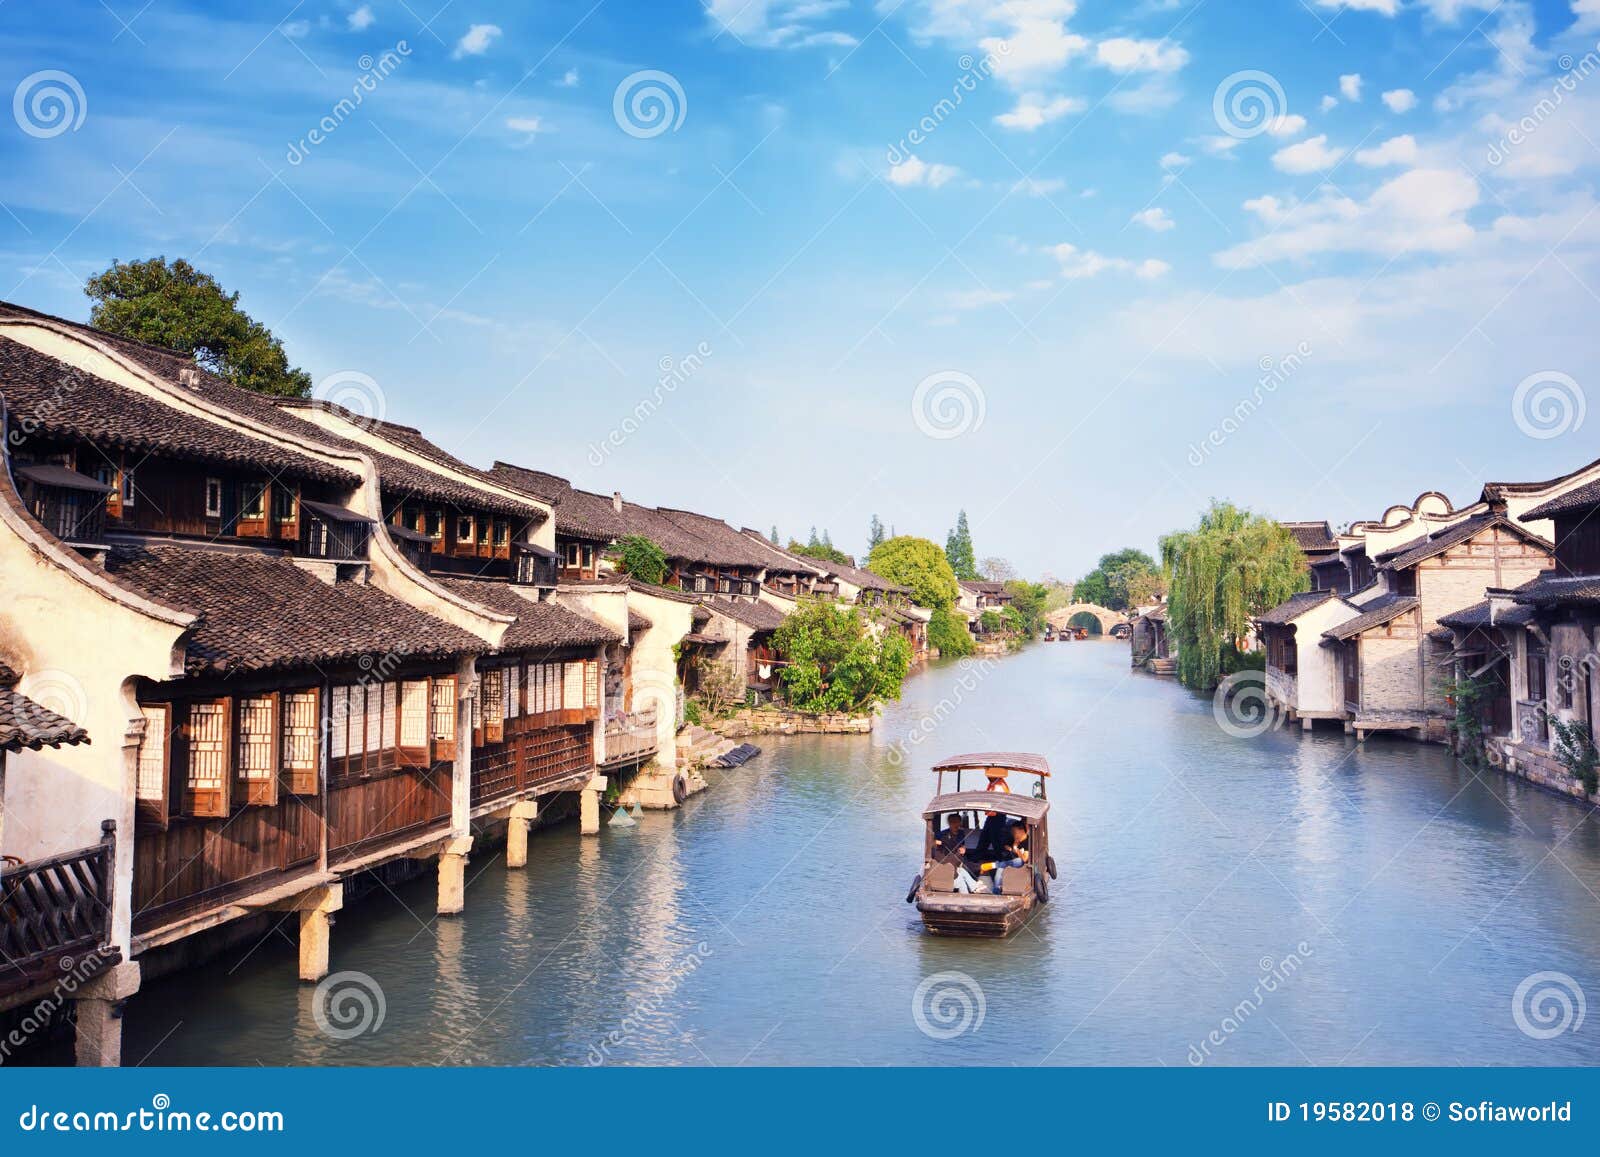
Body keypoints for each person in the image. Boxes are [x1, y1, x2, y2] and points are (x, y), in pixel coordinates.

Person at [991, 821, 1031, 895]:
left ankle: (998, 864)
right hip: (1010, 861)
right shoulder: (1014, 839)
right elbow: (1007, 847)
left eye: (1014, 832)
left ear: (1021, 831)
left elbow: (1025, 859)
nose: (1013, 833)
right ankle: (996, 890)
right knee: (1000, 868)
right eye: (1012, 831)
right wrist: (1010, 848)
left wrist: (1016, 849)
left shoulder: (1027, 841)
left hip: (1022, 864)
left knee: (1018, 860)